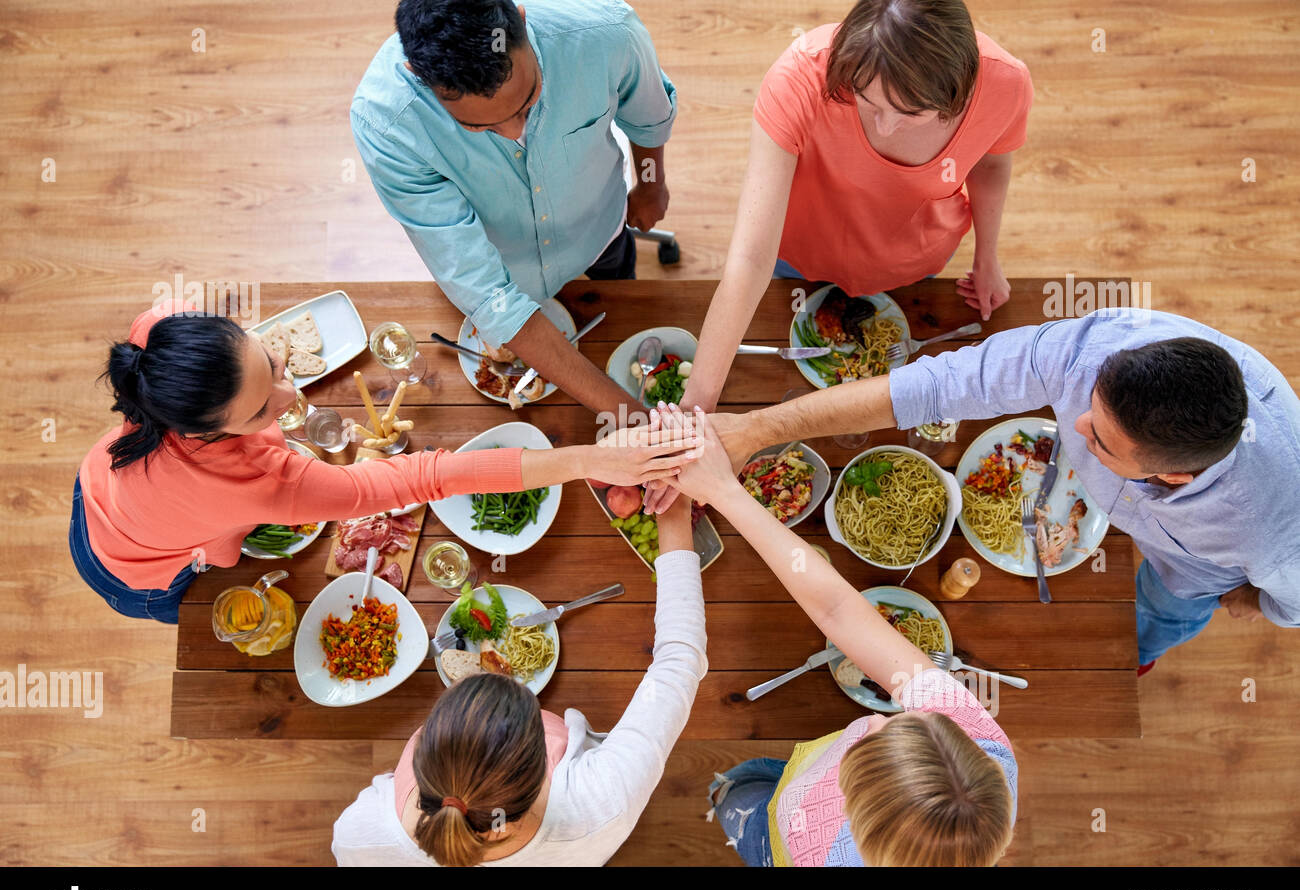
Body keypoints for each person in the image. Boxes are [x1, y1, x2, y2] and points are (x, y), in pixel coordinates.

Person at [673, 309, 1300, 672]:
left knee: (1160, 615)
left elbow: (1293, 599)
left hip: (1194, 567)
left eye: (1100, 441)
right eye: (1086, 408)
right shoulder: (1093, 351)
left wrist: (1257, 600)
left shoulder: (1275, 527)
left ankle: (1141, 650)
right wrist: (758, 427)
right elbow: (934, 384)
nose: (1073, 430)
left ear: (1172, 478)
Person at [71, 301, 697, 624]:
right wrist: (588, 458)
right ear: (203, 429)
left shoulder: (153, 345)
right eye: (265, 410)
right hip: (134, 572)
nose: (294, 399)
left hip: (97, 485)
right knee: (214, 581)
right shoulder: (263, 483)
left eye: (276, 365)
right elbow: (430, 476)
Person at [654, 404, 1015, 866]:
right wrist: (724, 490)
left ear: (854, 813)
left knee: (735, 800)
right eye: (908, 721)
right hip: (808, 776)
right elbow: (839, 608)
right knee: (757, 776)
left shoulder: (818, 855)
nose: (877, 718)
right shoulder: (981, 752)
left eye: (877, 737)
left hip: (779, 839)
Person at [678, 0, 1033, 423]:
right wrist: (697, 403)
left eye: (910, 113)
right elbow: (751, 258)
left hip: (916, 256)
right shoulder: (798, 79)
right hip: (803, 250)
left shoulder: (1005, 83)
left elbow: (991, 163)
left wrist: (987, 257)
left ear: (956, 93)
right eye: (866, 99)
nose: (883, 128)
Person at [331, 497, 705, 866]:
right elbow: (679, 661)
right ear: (540, 763)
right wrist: (673, 513)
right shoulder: (602, 800)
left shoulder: (359, 838)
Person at [352, 0, 677, 413]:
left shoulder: (606, 33)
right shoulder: (385, 123)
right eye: (479, 126)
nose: (515, 131)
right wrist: (627, 416)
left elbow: (648, 117)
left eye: (528, 102)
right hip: (506, 268)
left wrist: (650, 185)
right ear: (420, 76)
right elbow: (486, 292)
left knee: (622, 298)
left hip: (600, 228)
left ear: (520, 21)